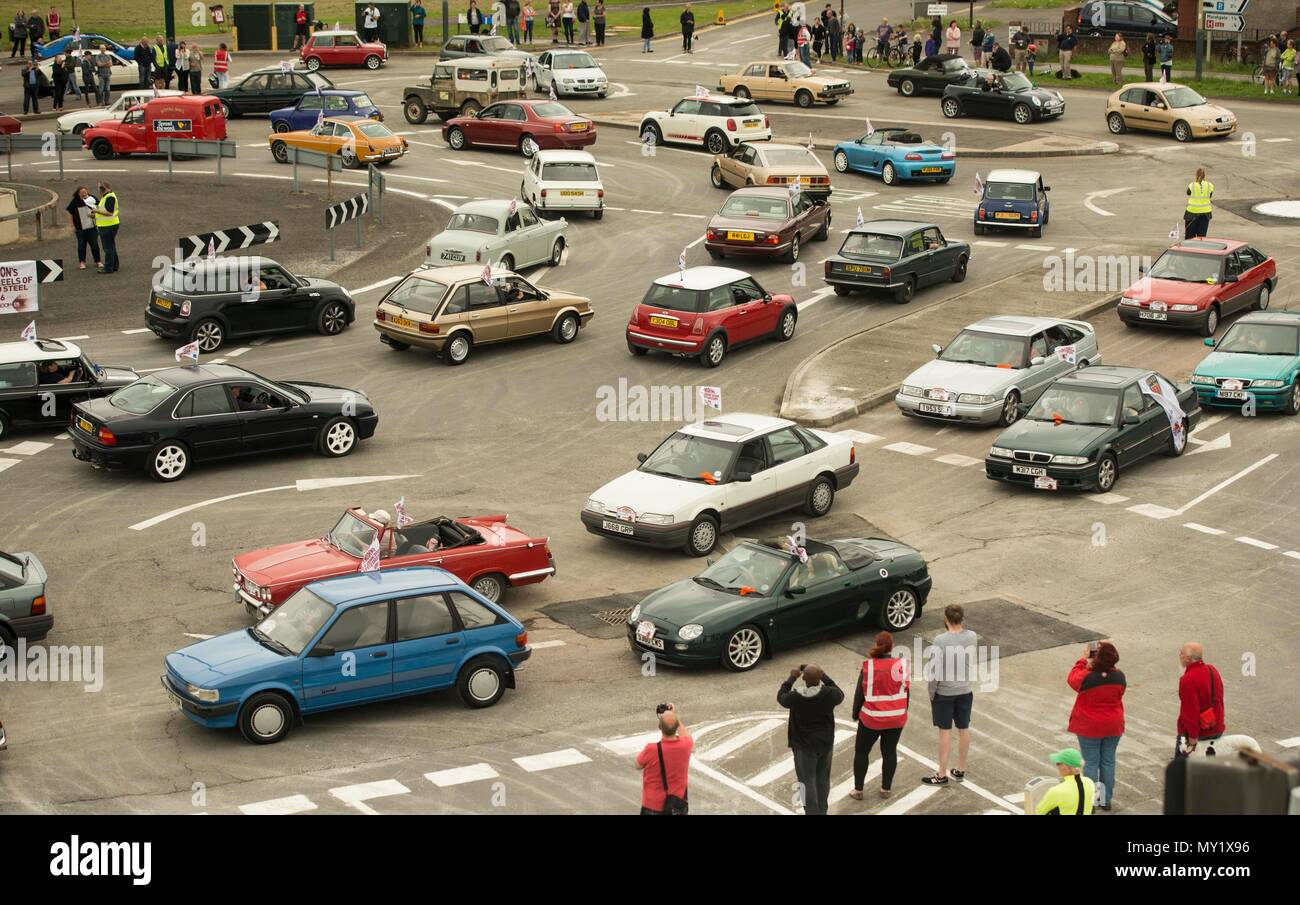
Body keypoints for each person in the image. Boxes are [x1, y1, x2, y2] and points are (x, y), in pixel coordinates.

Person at [849, 632, 909, 801]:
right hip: (896, 718)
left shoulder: (869, 666)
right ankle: (886, 789)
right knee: (889, 752)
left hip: (871, 719)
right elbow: (906, 692)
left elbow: (859, 694)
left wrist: (855, 714)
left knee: (861, 752)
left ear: (877, 644)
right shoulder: (901, 666)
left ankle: (858, 790)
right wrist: (903, 712)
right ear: (892, 646)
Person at [922, 604, 977, 785]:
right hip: (965, 689)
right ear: (962, 618)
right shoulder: (971, 636)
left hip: (944, 692)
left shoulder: (940, 640)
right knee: (964, 728)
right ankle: (961, 768)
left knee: (944, 732)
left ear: (946, 619)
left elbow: (934, 670)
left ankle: (941, 773)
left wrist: (931, 692)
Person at [778, 664, 844, 815]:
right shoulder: (829, 694)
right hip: (825, 744)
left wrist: (791, 677)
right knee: (822, 779)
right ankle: (822, 810)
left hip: (804, 747)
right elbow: (839, 692)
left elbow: (781, 696)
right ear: (819, 678)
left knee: (806, 782)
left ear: (804, 679)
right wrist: (824, 676)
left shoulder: (795, 697)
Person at [1068, 641, 1124, 811]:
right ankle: (1105, 800)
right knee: (1108, 761)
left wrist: (1083, 660)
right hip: (1113, 725)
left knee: (1092, 763)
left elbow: (1072, 679)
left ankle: (1090, 801)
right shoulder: (1120, 676)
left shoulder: (1086, 677)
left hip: (1089, 726)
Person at [634, 703, 692, 815]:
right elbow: (685, 735)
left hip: (652, 806)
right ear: (676, 726)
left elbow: (637, 764)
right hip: (677, 805)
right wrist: (673, 715)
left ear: (659, 726)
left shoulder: (651, 749)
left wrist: (666, 717)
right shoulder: (686, 745)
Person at [1176, 642, 1224, 756]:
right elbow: (1219, 697)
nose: (1179, 655)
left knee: (1181, 771)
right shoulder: (1212, 670)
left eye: (1181, 653)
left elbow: (1190, 712)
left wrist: (1192, 739)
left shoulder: (1187, 680)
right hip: (1216, 727)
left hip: (1198, 733)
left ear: (1188, 658)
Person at [1034, 749, 1095, 815]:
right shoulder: (1090, 782)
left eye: (1058, 763)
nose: (1057, 766)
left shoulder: (1056, 791)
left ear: (1067, 768)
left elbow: (1039, 812)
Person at [66, 186, 102, 270]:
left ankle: (98, 261)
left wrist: (95, 214)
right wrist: (72, 225)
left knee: (94, 244)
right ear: (78, 193)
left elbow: (100, 208)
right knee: (82, 245)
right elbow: (69, 212)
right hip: (80, 227)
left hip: (92, 226)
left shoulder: (92, 198)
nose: (84, 193)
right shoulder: (75, 201)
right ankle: (82, 262)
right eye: (82, 192)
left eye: (85, 191)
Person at [92, 181, 119, 274]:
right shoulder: (107, 196)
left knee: (108, 248)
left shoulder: (109, 197)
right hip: (108, 224)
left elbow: (109, 212)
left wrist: (96, 211)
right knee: (111, 246)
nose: (98, 189)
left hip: (108, 225)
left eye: (99, 188)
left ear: (103, 188)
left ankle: (108, 268)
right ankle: (114, 266)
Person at [1185, 167, 1213, 240]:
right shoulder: (1210, 185)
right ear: (1204, 176)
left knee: (1190, 235)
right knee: (1201, 236)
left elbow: (1188, 193)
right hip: (1205, 212)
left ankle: (1189, 249)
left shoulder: (1192, 185)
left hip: (1192, 212)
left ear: (1196, 175)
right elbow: (1210, 196)